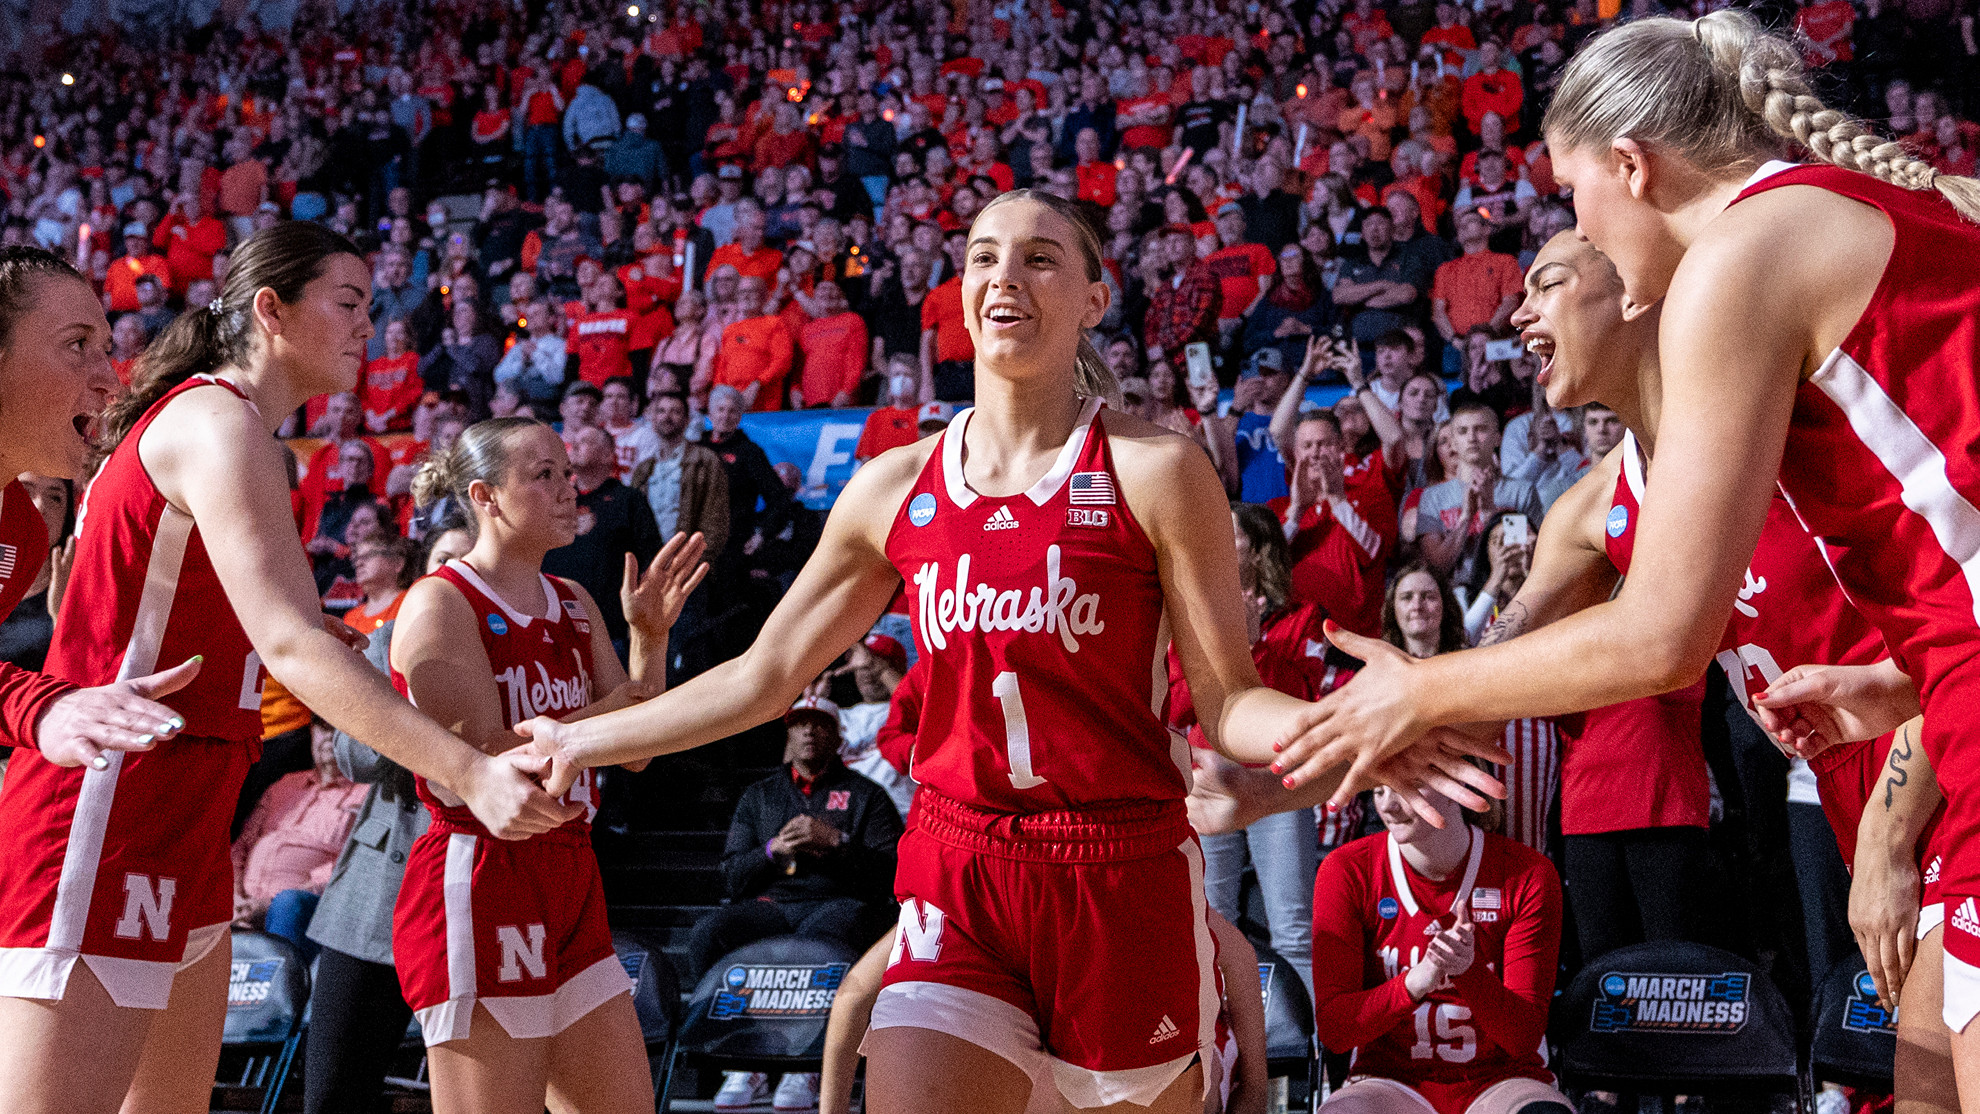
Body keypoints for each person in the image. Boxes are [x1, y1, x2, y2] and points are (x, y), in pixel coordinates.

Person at [510, 189, 1502, 1114]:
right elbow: (763, 675)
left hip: (1122, 872)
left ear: (1094, 294)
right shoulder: (894, 485)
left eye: (1039, 258)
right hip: (960, 865)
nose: (1004, 278)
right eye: (984, 256)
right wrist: (578, 741)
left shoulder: (1158, 468)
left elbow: (1230, 700)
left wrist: (1366, 719)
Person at [0, 223, 581, 1114]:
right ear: (271, 310)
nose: (370, 327)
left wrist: (263, 630)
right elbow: (289, 648)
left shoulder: (216, 428)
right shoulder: (213, 420)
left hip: (189, 803)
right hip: (109, 803)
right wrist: (467, 769)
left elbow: (137, 603)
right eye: (349, 303)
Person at [390, 417, 707, 1112]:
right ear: (486, 496)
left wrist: (648, 639)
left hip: (570, 867)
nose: (569, 490)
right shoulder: (442, 602)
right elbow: (490, 766)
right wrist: (611, 713)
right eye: (545, 476)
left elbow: (639, 748)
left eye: (568, 473)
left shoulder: (574, 600)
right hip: (481, 871)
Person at [302, 517, 472, 1114]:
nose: (453, 574)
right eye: (443, 561)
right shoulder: (389, 636)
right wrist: (411, 709)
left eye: (468, 562)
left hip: (475, 887)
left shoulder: (516, 643)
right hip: (376, 890)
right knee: (331, 1096)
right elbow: (352, 755)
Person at [697, 695, 905, 1113]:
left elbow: (892, 874)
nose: (810, 731)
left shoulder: (867, 794)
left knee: (824, 937)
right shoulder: (759, 796)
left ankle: (809, 1063)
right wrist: (772, 850)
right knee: (710, 933)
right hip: (775, 902)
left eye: (822, 724)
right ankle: (739, 1060)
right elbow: (732, 874)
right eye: (800, 724)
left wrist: (839, 843)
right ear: (788, 735)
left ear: (839, 736)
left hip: (842, 902)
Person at [1310, 783, 1569, 1114]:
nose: (1388, 806)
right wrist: (1416, 981)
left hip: (1503, 1080)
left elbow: (1523, 1038)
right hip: (1389, 1080)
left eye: (1405, 785)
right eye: (1378, 790)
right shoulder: (1347, 869)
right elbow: (1336, 1030)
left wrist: (1468, 971)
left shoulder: (1526, 873)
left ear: (1456, 785)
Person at [229, 718, 367, 958]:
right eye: (322, 728)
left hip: (306, 904)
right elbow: (242, 846)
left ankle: (280, 987)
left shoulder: (366, 794)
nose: (328, 738)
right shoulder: (285, 784)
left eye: (338, 729)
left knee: (288, 903)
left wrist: (269, 903)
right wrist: (234, 895)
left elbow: (352, 865)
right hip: (243, 902)